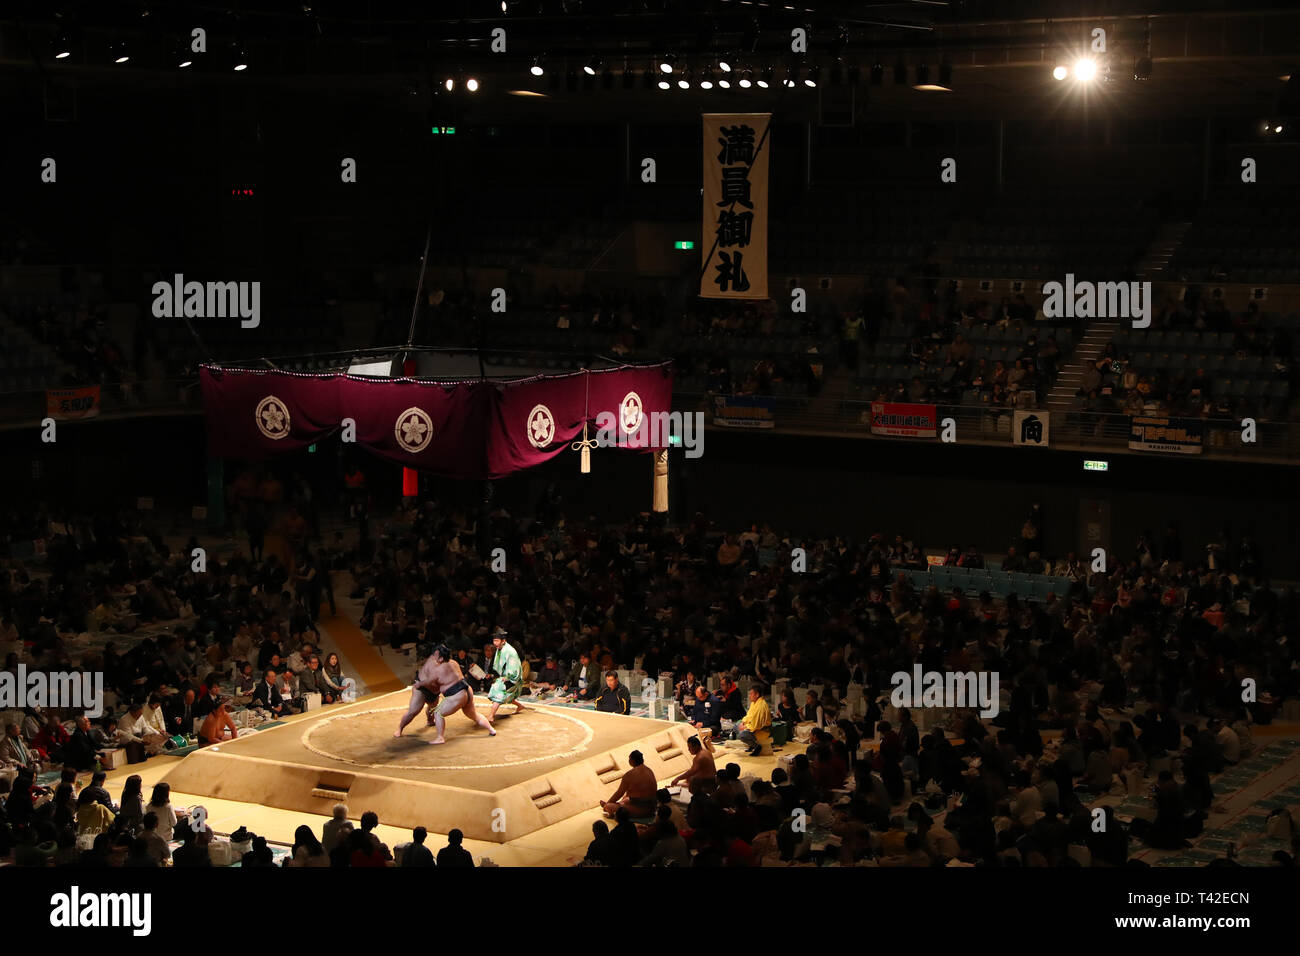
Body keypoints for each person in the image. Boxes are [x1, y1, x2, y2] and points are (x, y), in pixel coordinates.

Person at [395, 644, 495, 744]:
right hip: (467, 691)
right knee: (474, 715)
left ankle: (440, 737)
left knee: (438, 713)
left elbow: (428, 682)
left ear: (441, 658)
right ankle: (491, 730)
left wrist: (418, 684)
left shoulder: (438, 670)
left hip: (456, 695)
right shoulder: (454, 663)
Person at [600, 749, 657, 819]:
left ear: (631, 761)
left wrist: (607, 804)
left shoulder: (629, 775)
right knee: (626, 798)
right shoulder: (649, 770)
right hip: (653, 806)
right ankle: (620, 804)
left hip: (642, 811)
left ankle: (612, 805)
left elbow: (619, 793)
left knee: (608, 807)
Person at [486, 627, 528, 720]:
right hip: (506, 675)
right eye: (494, 641)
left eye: (497, 641)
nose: (495, 643)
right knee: (505, 694)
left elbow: (514, 666)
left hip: (513, 676)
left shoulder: (509, 651)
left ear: (503, 641)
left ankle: (491, 716)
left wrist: (507, 677)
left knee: (499, 689)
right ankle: (520, 706)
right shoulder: (500, 648)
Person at [735, 686, 772, 757]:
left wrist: (744, 727)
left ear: (757, 695)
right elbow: (749, 716)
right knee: (736, 725)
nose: (749, 696)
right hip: (752, 726)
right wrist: (743, 722)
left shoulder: (761, 706)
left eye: (751, 694)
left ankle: (757, 746)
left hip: (761, 730)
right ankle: (750, 743)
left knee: (742, 735)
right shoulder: (754, 703)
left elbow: (756, 726)